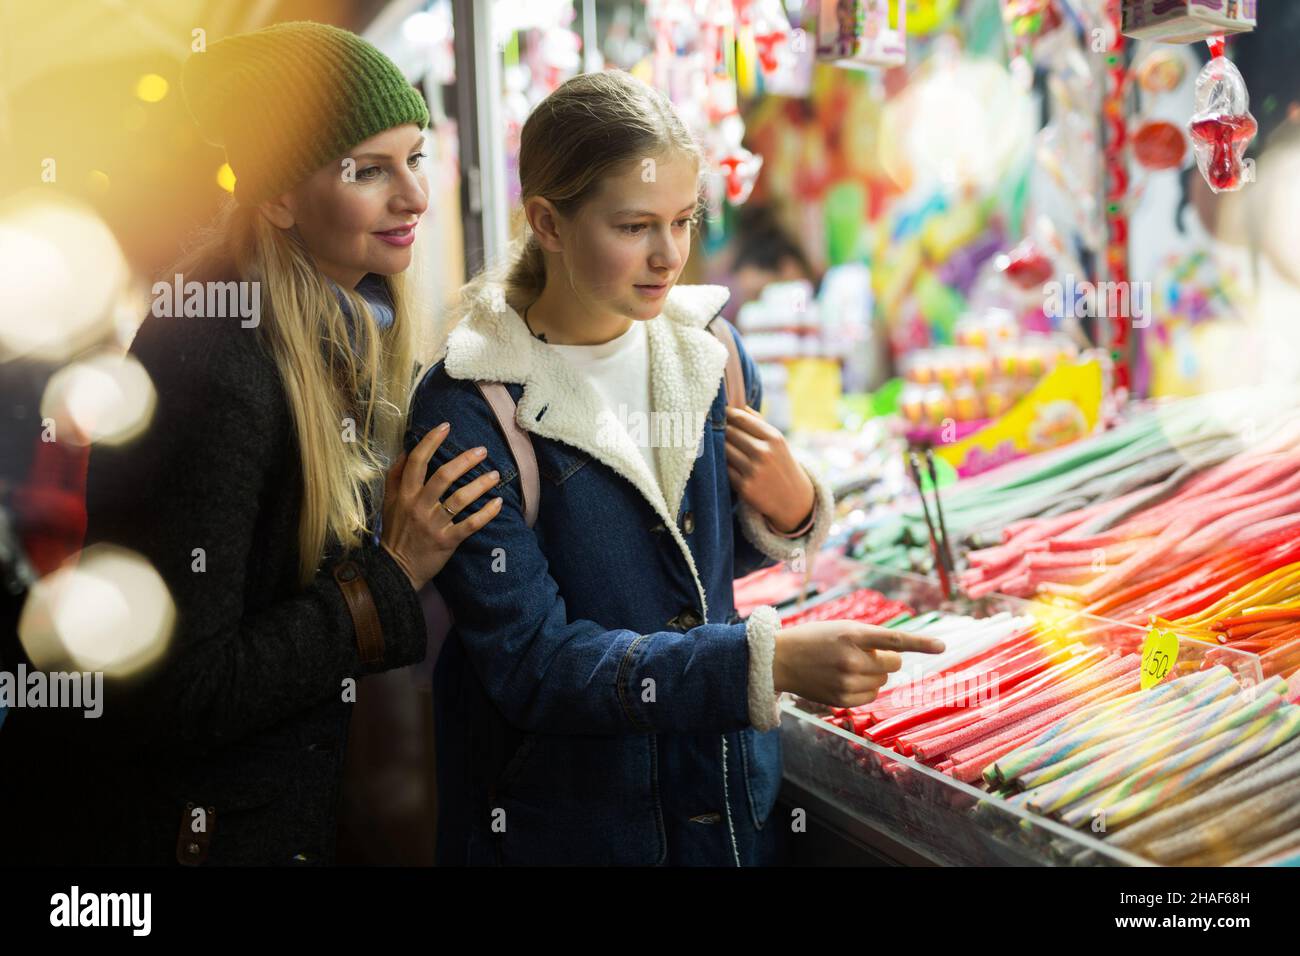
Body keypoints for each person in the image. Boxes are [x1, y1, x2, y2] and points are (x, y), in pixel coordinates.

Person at [407, 70, 944, 866]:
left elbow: (687, 568)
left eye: (684, 221)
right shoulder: (470, 406)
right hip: (568, 829)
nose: (669, 257)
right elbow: (535, 664)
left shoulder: (711, 354)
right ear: (547, 223)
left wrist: (789, 513)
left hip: (721, 809)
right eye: (634, 227)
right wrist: (762, 662)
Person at [0, 21, 498, 866]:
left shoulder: (339, 324)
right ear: (276, 196)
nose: (413, 196)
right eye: (368, 170)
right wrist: (392, 576)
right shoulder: (218, 359)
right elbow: (180, 690)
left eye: (415, 156)